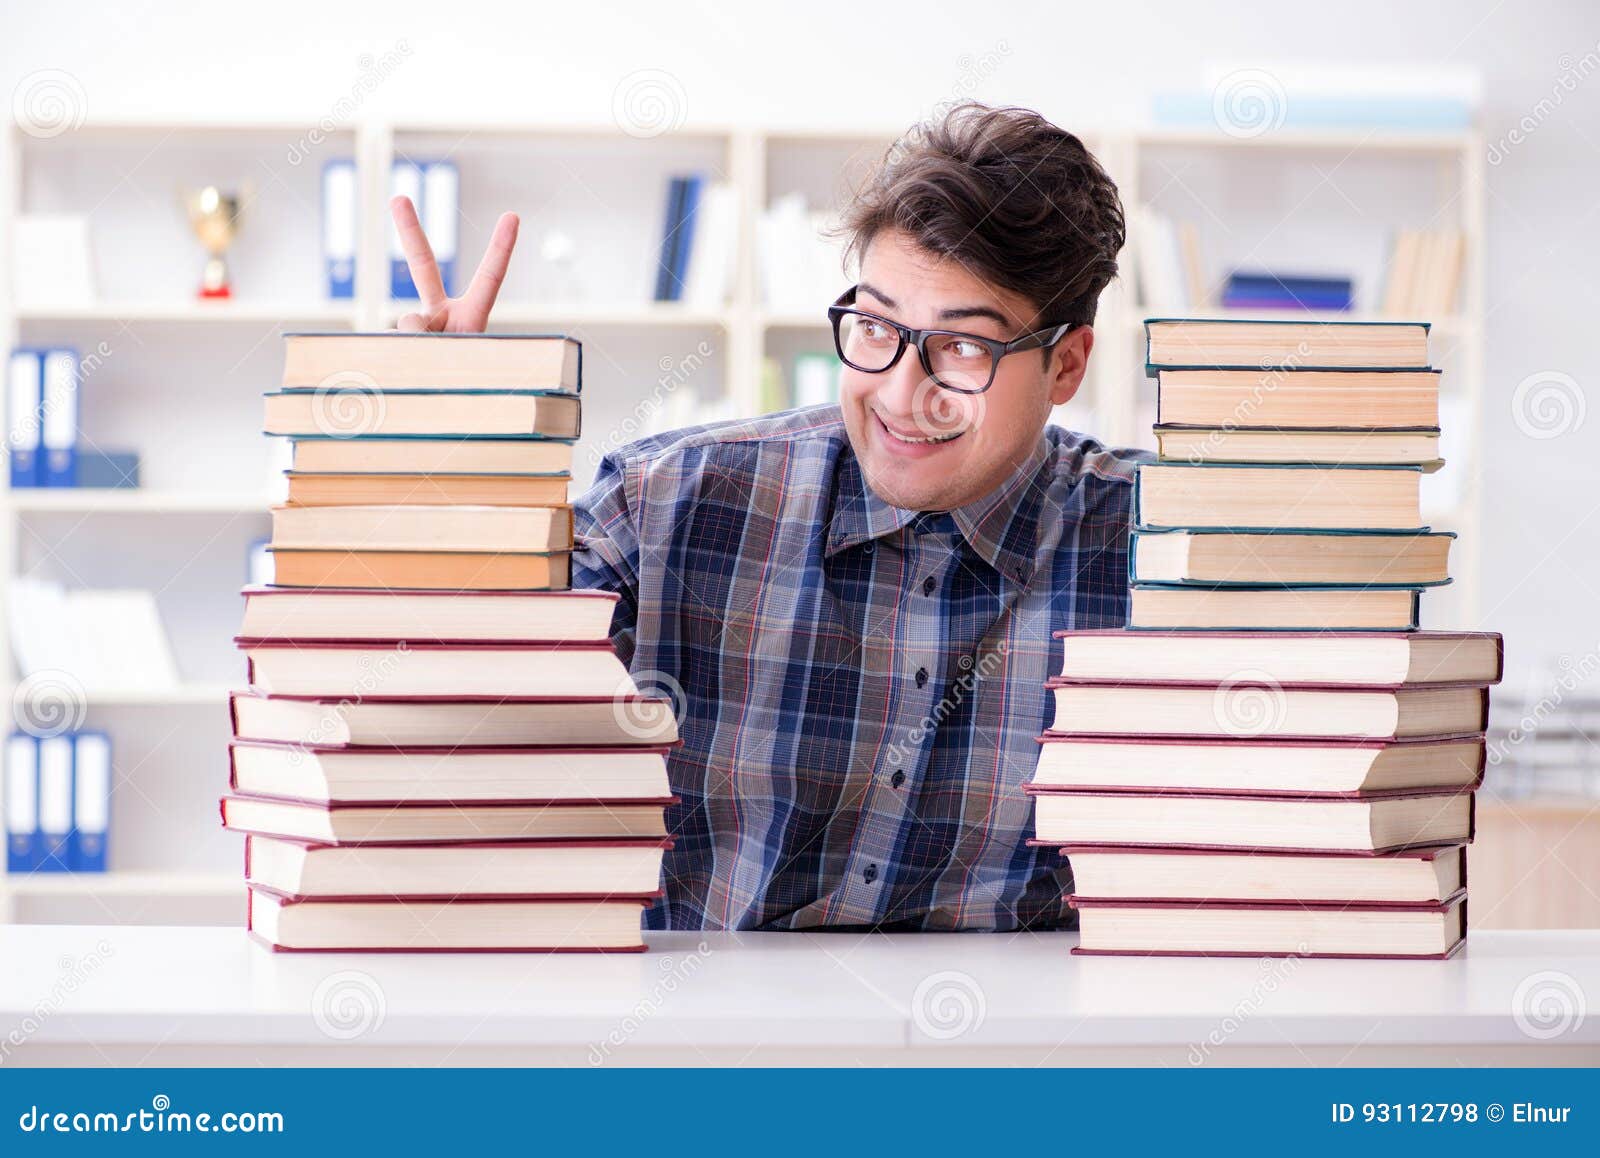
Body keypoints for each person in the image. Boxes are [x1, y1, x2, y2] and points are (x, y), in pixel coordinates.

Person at [391, 101, 1146, 932]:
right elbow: (441, 691)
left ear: (1065, 365)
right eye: (876, 327)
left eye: (963, 347)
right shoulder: (668, 503)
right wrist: (448, 454)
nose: (901, 395)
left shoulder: (1159, 547)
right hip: (689, 1017)